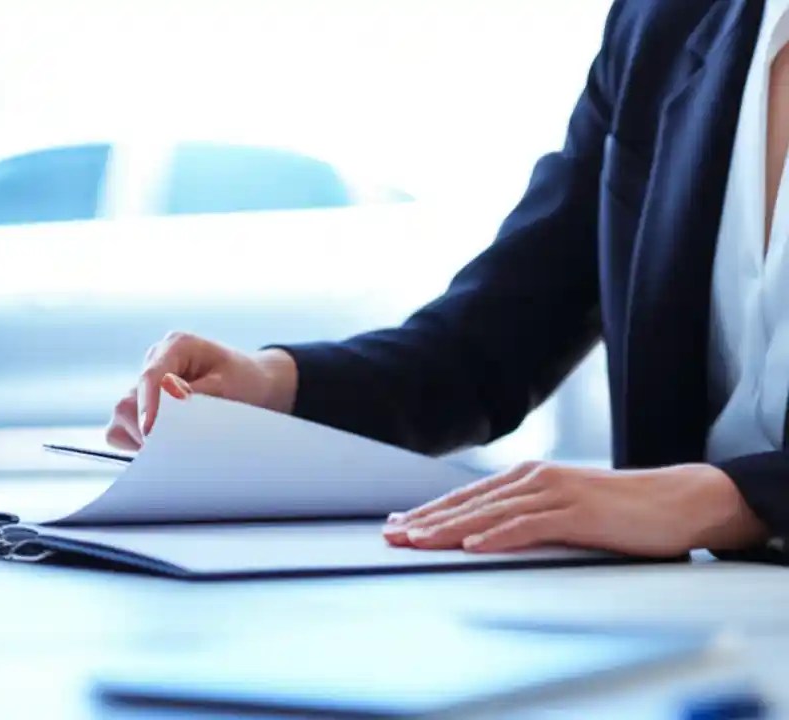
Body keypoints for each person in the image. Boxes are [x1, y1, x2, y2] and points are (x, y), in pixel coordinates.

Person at [104, 0, 789, 563]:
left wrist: (735, 498)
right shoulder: (667, 22)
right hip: (695, 625)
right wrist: (272, 384)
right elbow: (490, 344)